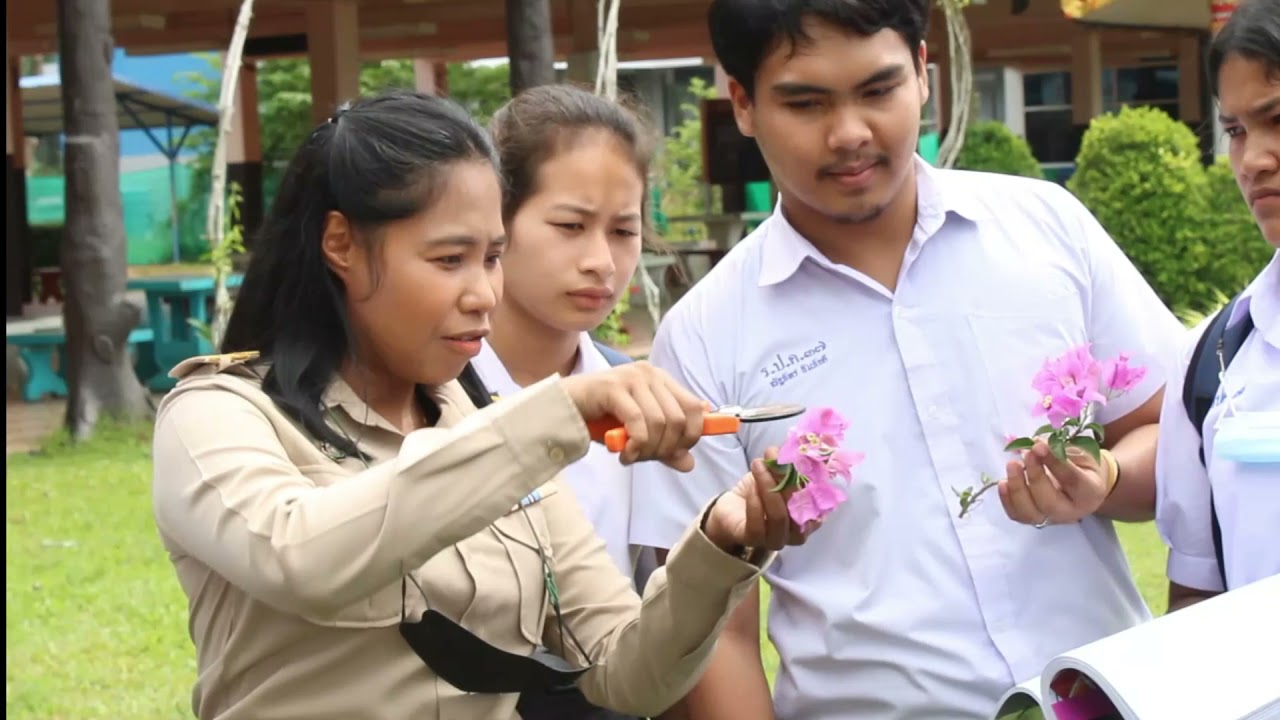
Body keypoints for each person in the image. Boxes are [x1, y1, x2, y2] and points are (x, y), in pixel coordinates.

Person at [149, 90, 818, 720]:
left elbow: (624, 668)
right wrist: (551, 418)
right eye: (448, 260)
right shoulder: (217, 414)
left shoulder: (491, 427)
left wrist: (718, 547)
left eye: (492, 257)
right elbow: (300, 558)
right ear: (340, 244)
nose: (483, 294)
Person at [629, 1, 1184, 718]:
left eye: (878, 90)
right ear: (742, 103)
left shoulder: (1047, 229)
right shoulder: (704, 335)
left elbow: (1169, 438)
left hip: (1103, 702)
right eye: (805, 102)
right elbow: (712, 637)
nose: (849, 133)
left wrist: (1104, 478)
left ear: (924, 73)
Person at [475, 83, 663, 720]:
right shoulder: (428, 393)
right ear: (494, 220)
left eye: (623, 231)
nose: (600, 262)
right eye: (569, 226)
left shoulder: (644, 396)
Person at [1155, 0, 1279, 612]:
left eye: (1277, 119)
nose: (1253, 160)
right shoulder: (1216, 360)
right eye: (1235, 131)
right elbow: (1194, 606)